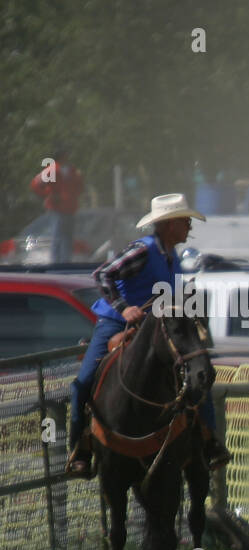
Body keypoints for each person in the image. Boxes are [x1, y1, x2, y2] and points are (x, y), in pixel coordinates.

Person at [66, 193, 232, 477]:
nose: (189, 226)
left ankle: (208, 441)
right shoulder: (141, 251)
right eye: (184, 221)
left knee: (194, 373)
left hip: (153, 327)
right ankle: (80, 448)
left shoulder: (172, 257)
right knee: (82, 383)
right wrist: (124, 307)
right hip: (115, 323)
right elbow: (103, 274)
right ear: (169, 225)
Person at [29, 146, 84, 263]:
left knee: (68, 237)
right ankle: (56, 261)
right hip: (57, 208)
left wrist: (74, 195)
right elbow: (36, 184)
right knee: (58, 236)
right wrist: (47, 194)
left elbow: (79, 186)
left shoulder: (72, 170)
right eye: (65, 154)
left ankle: (66, 261)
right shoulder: (52, 170)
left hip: (70, 208)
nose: (68, 157)